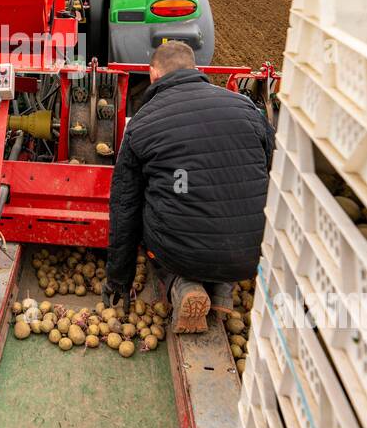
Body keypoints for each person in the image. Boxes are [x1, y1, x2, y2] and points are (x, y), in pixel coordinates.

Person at [105, 40, 274, 333]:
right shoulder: (246, 108)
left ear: (153, 74)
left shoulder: (143, 122)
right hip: (249, 254)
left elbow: (125, 209)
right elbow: (273, 173)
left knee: (154, 202)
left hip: (180, 254)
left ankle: (181, 284)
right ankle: (223, 287)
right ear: (196, 68)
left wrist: (119, 280)